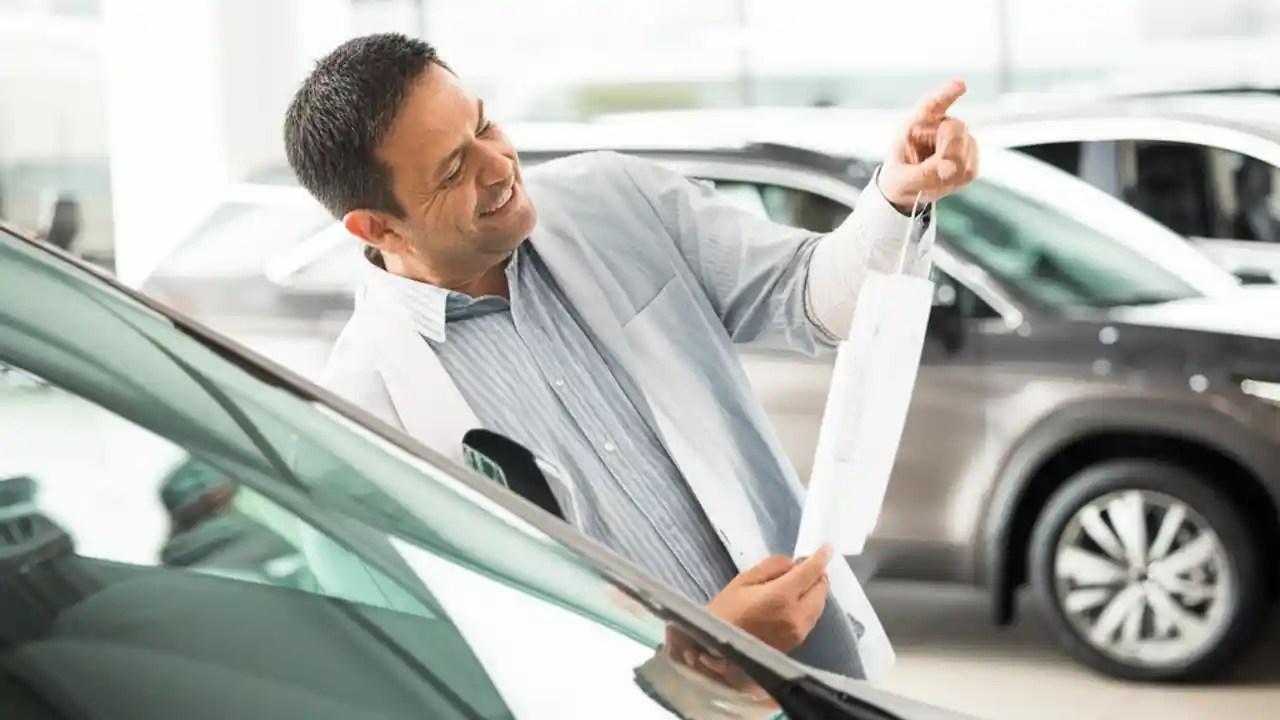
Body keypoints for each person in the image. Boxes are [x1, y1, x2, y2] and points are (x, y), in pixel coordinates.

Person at [283, 33, 978, 680]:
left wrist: (895, 197)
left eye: (484, 125)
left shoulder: (613, 200)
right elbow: (473, 672)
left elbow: (812, 297)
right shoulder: (361, 429)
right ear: (376, 227)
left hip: (812, 674)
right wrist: (697, 659)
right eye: (454, 168)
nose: (500, 167)